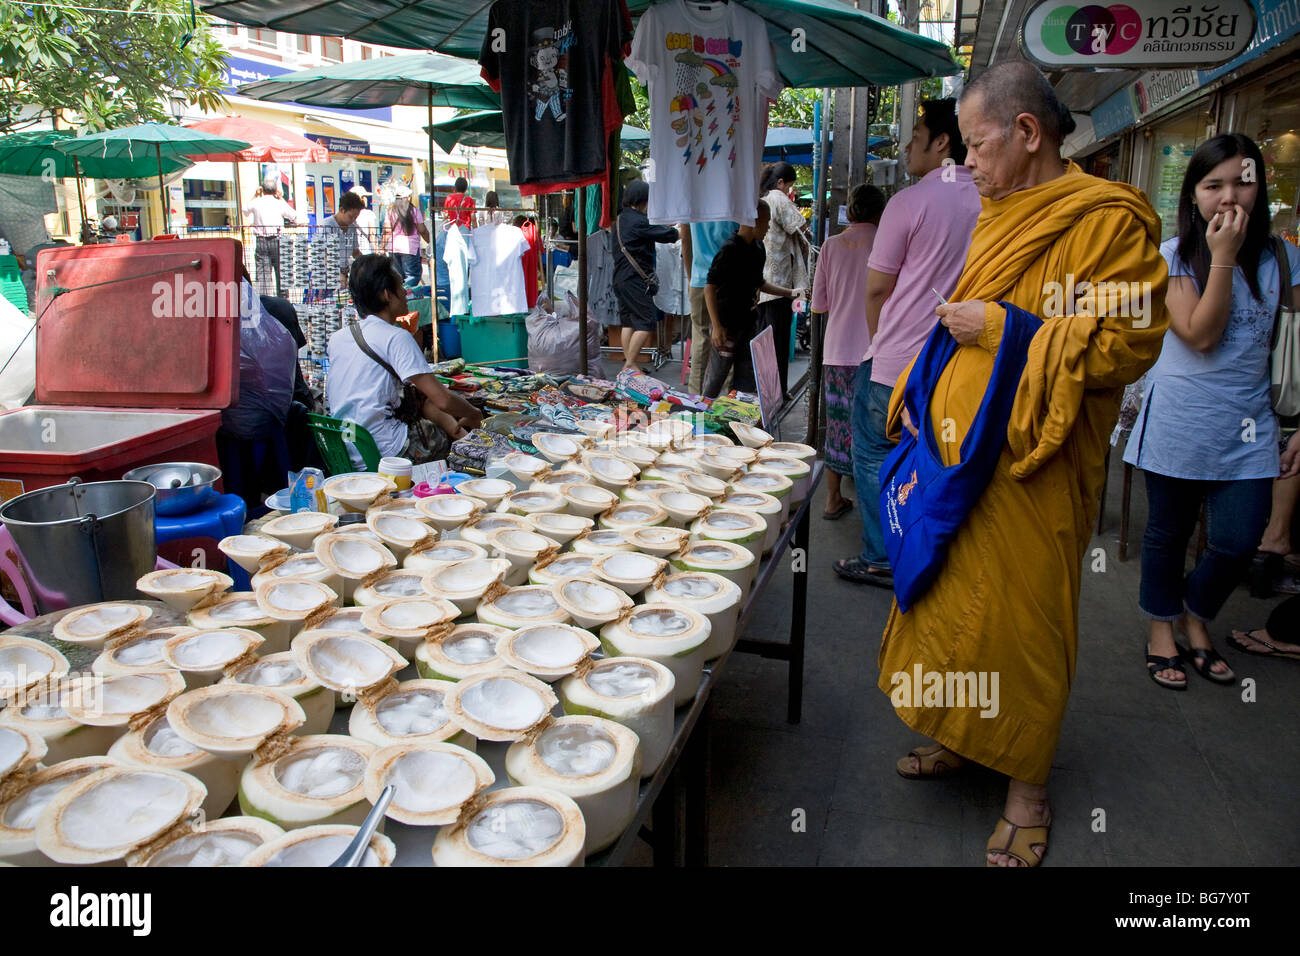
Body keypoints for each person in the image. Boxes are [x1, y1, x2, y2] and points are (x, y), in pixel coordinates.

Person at [876, 61, 1169, 867]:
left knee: (1023, 624)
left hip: (1034, 469)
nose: (963, 162)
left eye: (974, 144)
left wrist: (1008, 332)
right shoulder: (997, 212)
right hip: (954, 462)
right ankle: (958, 735)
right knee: (948, 609)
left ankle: (1026, 790)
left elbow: (1127, 337)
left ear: (1026, 133)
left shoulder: (1107, 220)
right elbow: (960, 318)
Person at [1123, 133, 1300, 690]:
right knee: (1168, 534)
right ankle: (1161, 629)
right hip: (1180, 419)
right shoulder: (1170, 258)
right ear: (1193, 196)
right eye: (1212, 185)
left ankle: (1196, 618)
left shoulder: (1283, 257)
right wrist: (1221, 259)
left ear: (1260, 187)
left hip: (1249, 429)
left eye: (1241, 182)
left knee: (1238, 539)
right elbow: (1199, 334)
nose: (1228, 198)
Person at [835, 97, 980, 587]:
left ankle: (881, 554)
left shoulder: (910, 201)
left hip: (896, 361)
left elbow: (877, 287)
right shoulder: (990, 200)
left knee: (874, 453)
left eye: (916, 137)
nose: (907, 145)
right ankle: (932, 552)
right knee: (939, 458)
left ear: (942, 143)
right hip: (962, 363)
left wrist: (882, 343)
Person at [327, 254, 482, 464]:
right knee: (440, 436)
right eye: (401, 286)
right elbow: (443, 399)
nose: (406, 293)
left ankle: (465, 437)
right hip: (384, 451)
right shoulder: (396, 337)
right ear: (386, 295)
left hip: (345, 449)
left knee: (422, 399)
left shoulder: (338, 338)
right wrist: (473, 413)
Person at [811, 183, 885, 519]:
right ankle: (875, 511)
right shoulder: (885, 243)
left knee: (838, 423)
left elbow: (819, 305)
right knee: (873, 429)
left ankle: (831, 498)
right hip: (877, 348)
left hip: (837, 349)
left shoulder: (830, 245)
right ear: (878, 212)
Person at [702, 200, 806, 398]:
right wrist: (716, 326)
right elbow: (709, 288)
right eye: (766, 223)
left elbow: (758, 282)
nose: (768, 228)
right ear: (752, 221)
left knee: (745, 378)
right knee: (716, 376)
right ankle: (701, 418)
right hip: (725, 324)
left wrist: (789, 293)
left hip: (748, 322)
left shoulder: (759, 248)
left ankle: (735, 418)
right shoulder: (730, 250)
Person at [612, 181, 679, 371]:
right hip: (634, 279)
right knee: (646, 321)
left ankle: (630, 366)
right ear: (643, 200)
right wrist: (680, 233)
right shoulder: (638, 220)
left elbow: (650, 229)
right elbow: (665, 235)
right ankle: (629, 365)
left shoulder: (621, 219)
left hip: (620, 277)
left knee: (628, 322)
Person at [758, 161, 810, 398]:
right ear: (781, 182)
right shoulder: (778, 197)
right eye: (789, 185)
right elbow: (800, 227)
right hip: (779, 284)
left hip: (766, 283)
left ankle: (770, 390)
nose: (790, 190)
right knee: (777, 341)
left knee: (766, 341)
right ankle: (776, 391)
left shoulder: (766, 197)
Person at [681, 219, 738, 394]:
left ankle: (695, 398)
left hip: (699, 278)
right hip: (727, 280)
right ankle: (726, 399)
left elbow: (685, 239)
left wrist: (691, 276)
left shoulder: (692, 203)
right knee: (728, 341)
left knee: (701, 339)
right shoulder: (732, 202)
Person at [242, 176, 299, 297]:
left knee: (262, 274)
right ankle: (283, 299)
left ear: (262, 189)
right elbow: (293, 216)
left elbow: (245, 210)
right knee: (281, 271)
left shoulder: (256, 202)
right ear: (275, 190)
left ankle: (265, 300)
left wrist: (255, 195)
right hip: (277, 240)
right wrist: (281, 198)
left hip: (261, 241)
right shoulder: (279, 203)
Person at [380, 182, 429, 288]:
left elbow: (387, 231)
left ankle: (400, 296)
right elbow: (422, 230)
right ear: (408, 198)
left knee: (398, 277)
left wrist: (381, 246)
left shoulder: (390, 212)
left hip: (393, 247)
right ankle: (406, 294)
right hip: (409, 248)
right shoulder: (414, 211)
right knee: (413, 276)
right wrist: (430, 242)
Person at [318, 191, 371, 285]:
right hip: (326, 273)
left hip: (344, 271)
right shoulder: (327, 225)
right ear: (342, 210)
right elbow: (324, 255)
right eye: (351, 216)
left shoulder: (352, 227)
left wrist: (368, 263)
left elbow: (355, 252)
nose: (353, 220)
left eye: (356, 217)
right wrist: (337, 273)